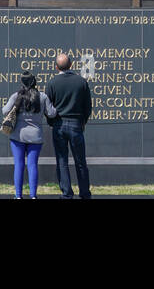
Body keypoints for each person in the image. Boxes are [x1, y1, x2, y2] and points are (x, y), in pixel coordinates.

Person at [1, 71, 57, 200]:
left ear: (22, 82)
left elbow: (4, 111)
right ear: (34, 82)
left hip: (17, 136)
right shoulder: (42, 97)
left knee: (19, 165)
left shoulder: (16, 96)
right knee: (32, 165)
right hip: (35, 136)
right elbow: (52, 113)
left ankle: (18, 195)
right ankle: (33, 195)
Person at [46, 53, 92, 200]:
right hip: (76, 125)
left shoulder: (52, 83)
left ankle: (67, 193)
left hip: (59, 125)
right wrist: (83, 121)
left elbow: (48, 108)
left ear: (56, 67)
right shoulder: (81, 82)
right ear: (71, 65)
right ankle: (84, 193)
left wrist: (52, 123)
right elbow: (88, 106)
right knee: (80, 161)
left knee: (62, 161)